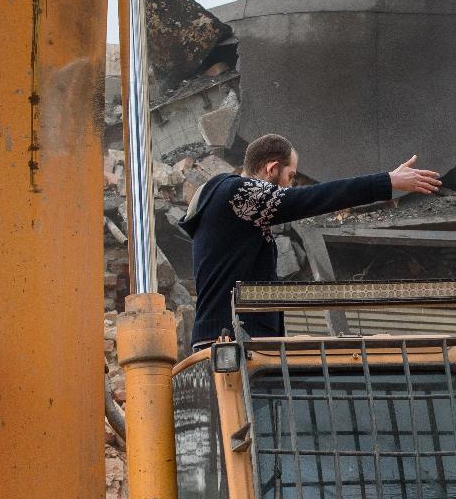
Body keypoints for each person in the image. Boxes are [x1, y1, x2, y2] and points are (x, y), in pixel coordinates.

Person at [181, 133, 441, 346]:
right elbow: (312, 198)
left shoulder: (238, 210)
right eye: (290, 177)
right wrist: (387, 181)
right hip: (230, 341)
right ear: (272, 169)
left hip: (229, 338)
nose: (291, 186)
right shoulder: (239, 192)